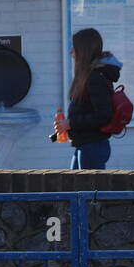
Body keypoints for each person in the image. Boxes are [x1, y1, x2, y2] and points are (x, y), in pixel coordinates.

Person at [55, 27, 120, 170]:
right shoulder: (89, 76)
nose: (71, 51)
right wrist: (66, 125)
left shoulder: (95, 78)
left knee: (89, 190)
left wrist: (70, 123)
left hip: (92, 146)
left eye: (75, 47)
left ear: (83, 51)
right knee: (77, 189)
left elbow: (103, 115)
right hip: (85, 145)